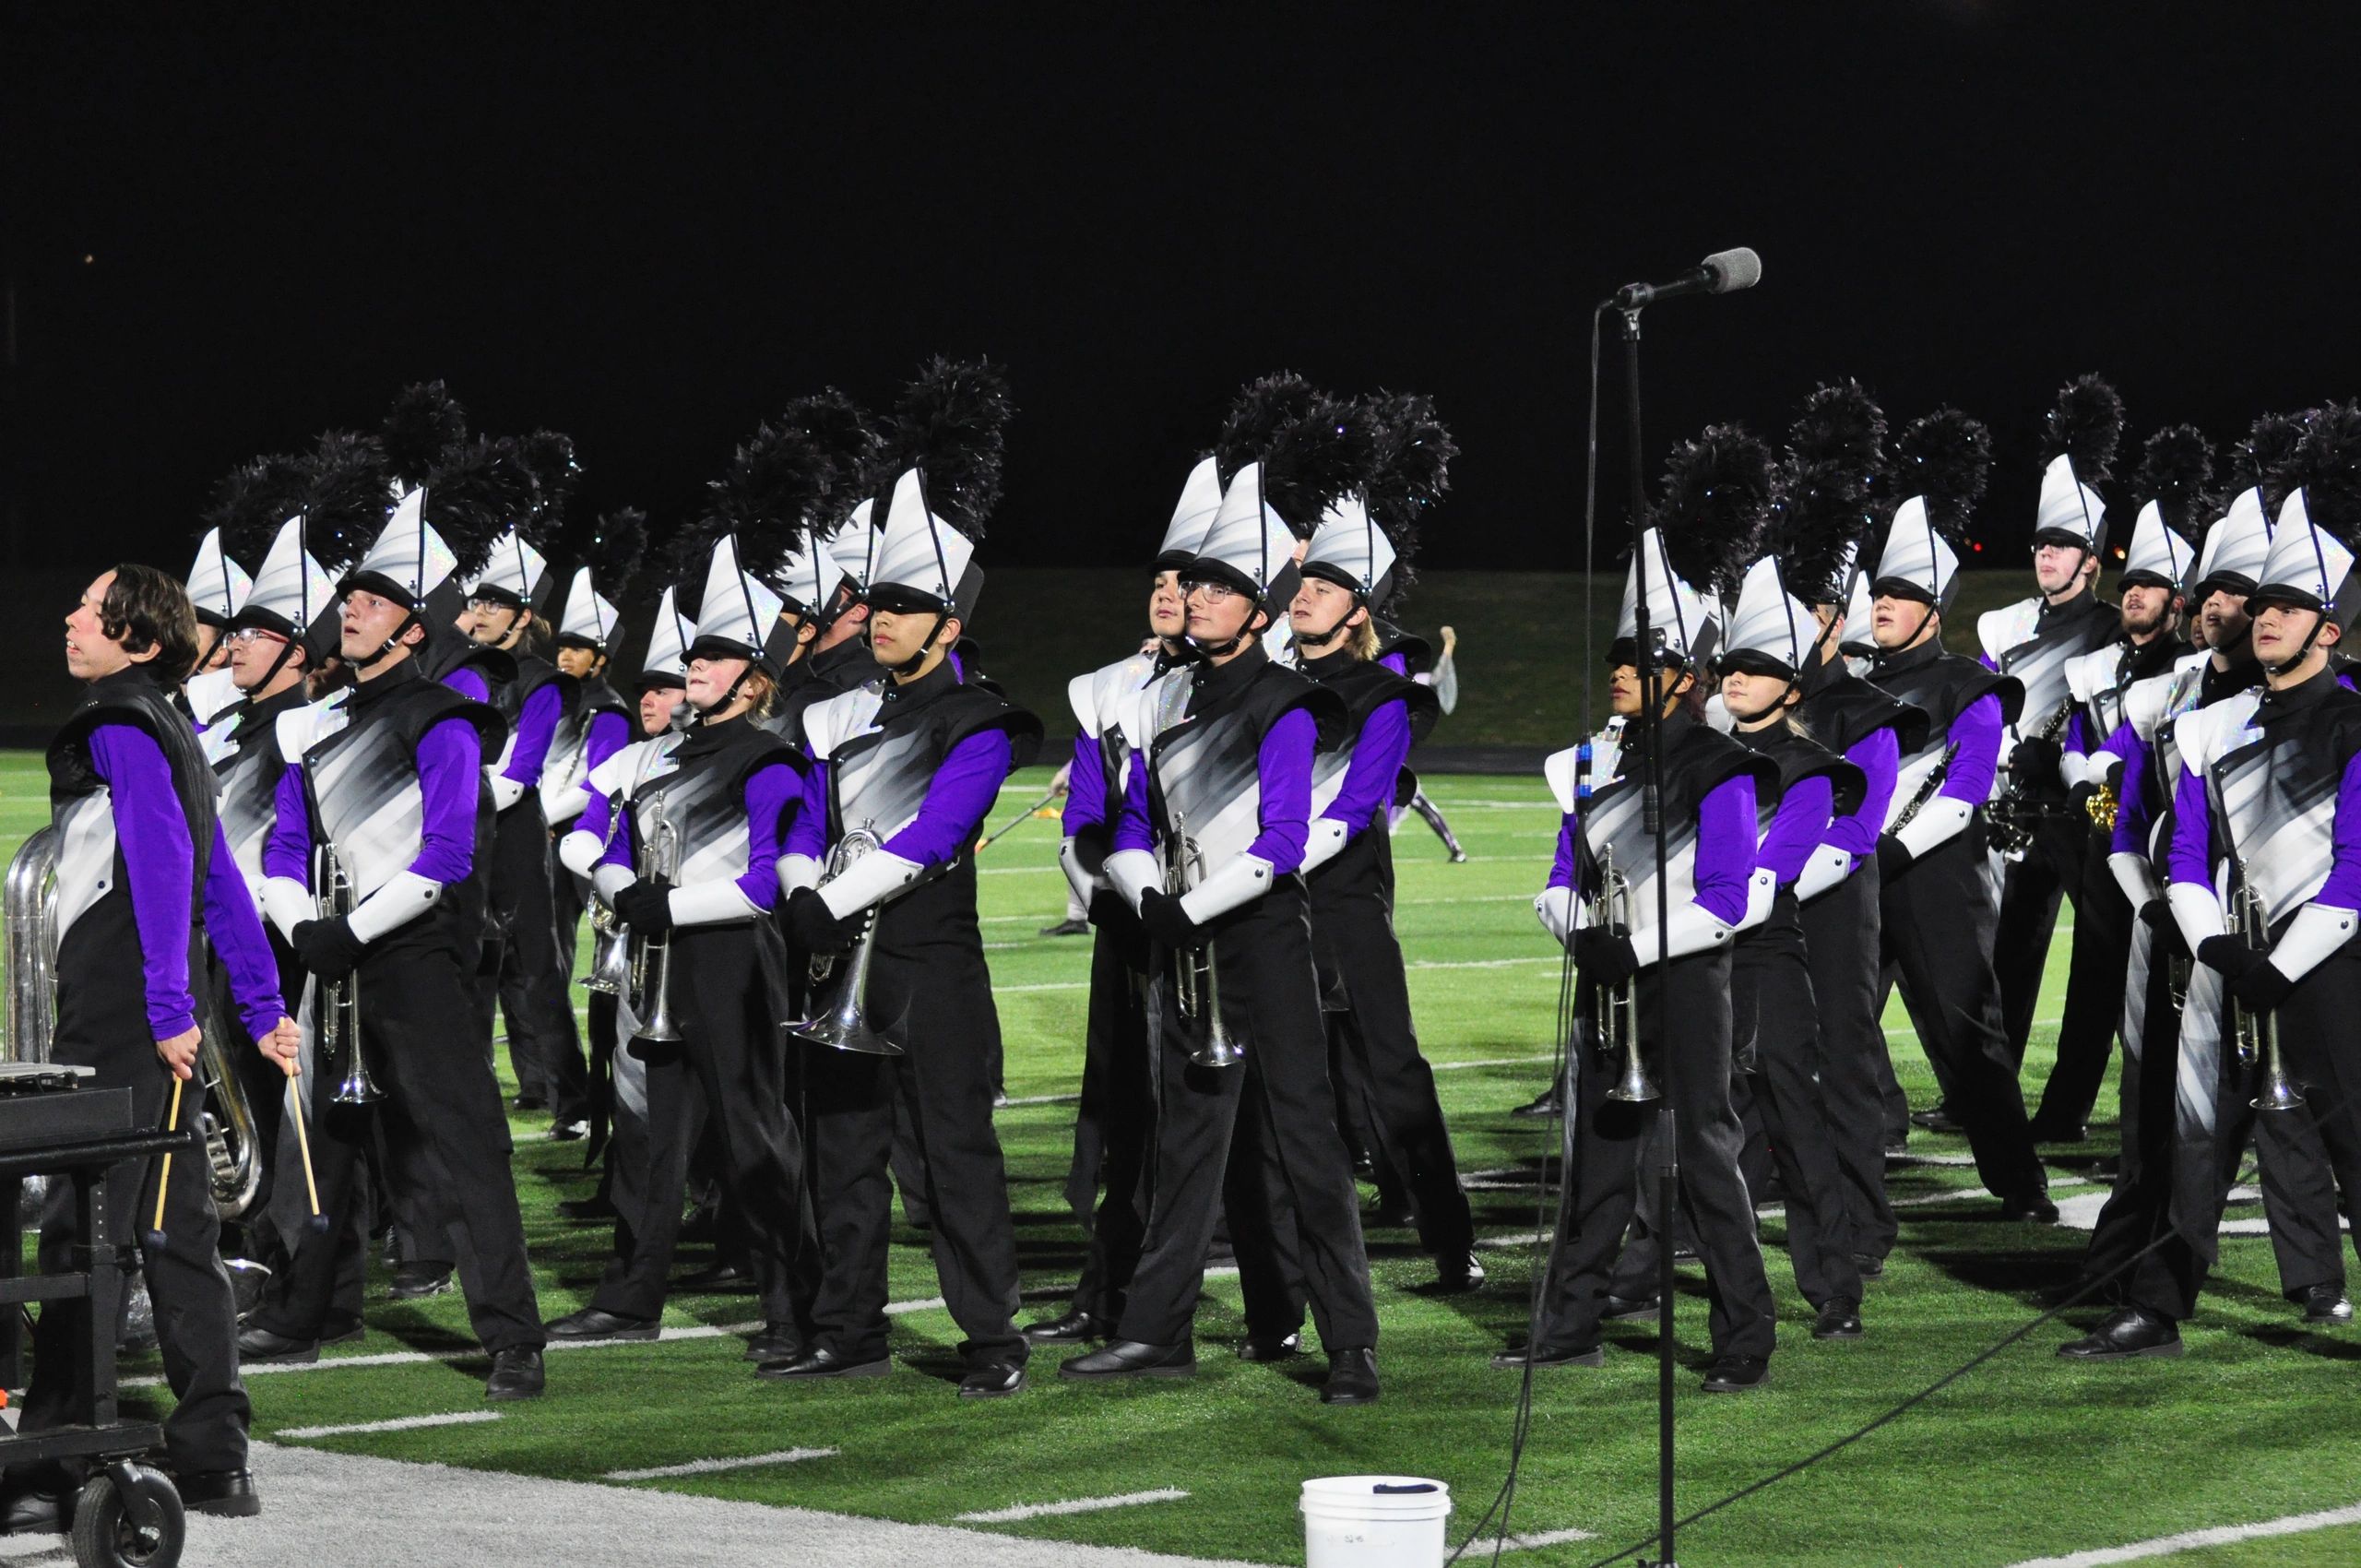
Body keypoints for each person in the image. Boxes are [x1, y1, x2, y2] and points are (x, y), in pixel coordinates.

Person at [1062, 449, 1382, 1405]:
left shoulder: (1287, 702)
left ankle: (1352, 1343)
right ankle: (1157, 1329)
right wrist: (1141, 888)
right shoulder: (1157, 698)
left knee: (1305, 1143)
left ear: (1261, 609)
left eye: (1220, 587)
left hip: (1262, 941)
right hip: (1180, 937)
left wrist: (1184, 905)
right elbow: (1124, 819)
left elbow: (1284, 839)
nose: (1197, 598)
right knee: (1183, 1147)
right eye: (1194, 583)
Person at [6, 564, 296, 1532]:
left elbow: (171, 862)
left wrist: (171, 1004)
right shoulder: (172, 723)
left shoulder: (123, 722)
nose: (69, 617)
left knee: (87, 1229)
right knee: (177, 1232)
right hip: (157, 1007)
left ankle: (56, 1447)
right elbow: (220, 872)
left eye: (88, 610)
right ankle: (215, 1454)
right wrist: (257, 1003)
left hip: (128, 1011)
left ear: (135, 639)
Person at [240, 492, 547, 1398]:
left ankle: (513, 1336)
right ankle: (308, 1310)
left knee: (465, 1141)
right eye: (350, 600)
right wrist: (305, 925)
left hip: (414, 957)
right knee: (323, 1141)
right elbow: (282, 847)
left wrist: (349, 929)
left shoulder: (446, 717)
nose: (352, 611)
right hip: (333, 953)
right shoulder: (318, 723)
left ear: (413, 628)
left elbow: (448, 852)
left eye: (371, 603)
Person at [771, 366, 1040, 1398]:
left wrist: (823, 898)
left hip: (928, 962)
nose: (880, 619)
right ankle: (849, 1323)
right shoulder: (834, 714)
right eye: (876, 602)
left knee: (949, 1157)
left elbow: (938, 832)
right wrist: (801, 885)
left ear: (949, 623)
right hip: (839, 953)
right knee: (841, 1152)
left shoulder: (977, 719)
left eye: (905, 605)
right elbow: (795, 813)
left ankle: (990, 1336)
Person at [2067, 432, 2361, 1359]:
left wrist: (2280, 963)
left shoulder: (2354, 723)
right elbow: (2182, 854)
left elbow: (2353, 869)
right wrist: (2220, 952)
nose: (2267, 618)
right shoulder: (2205, 727)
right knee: (2195, 1136)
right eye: (2261, 604)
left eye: (2289, 607)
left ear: (2330, 629)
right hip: (2226, 957)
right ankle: (2155, 1307)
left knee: (2352, 1138)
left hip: (2328, 961)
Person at [1492, 484, 1780, 1392]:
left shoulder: (1722, 767)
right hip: (1608, 981)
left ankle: (1744, 1337)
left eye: (1639, 657)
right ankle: (1569, 1321)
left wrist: (1635, 945)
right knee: (1597, 1165)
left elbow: (1732, 897)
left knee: (1705, 1159)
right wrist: (1582, 932)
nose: (1617, 669)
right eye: (1616, 655)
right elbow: (1554, 874)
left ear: (1684, 675)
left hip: (1688, 986)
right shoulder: (1588, 764)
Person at [547, 535, 819, 1365]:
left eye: (716, 656)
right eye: (694, 654)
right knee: (648, 1137)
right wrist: (620, 883)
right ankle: (632, 1296)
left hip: (734, 963)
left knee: (754, 1138)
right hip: (657, 959)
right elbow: (610, 834)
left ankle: (793, 1311)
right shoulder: (662, 756)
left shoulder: (769, 761)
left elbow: (765, 883)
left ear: (754, 678)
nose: (695, 666)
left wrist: (664, 902)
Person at [1026, 456, 1220, 1345]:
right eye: (1160, 579)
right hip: (1130, 919)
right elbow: (1092, 817)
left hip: (1217, 926)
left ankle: (1253, 1294)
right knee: (1118, 1110)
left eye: (1187, 581)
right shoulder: (1109, 687)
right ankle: (1105, 1289)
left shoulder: (1231, 687)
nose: (1167, 592)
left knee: (1211, 1119)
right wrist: (1116, 880)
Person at [1287, 465, 1477, 1295]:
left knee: (1393, 1072)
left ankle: (1450, 1242)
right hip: (1265, 916)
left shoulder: (1386, 698)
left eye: (1327, 587)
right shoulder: (1268, 686)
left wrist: (1260, 865)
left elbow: (1358, 800)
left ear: (1358, 610)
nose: (1306, 595)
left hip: (1346, 909)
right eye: (1304, 581)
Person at [1862, 411, 2055, 1221]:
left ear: (1934, 613)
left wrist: (1888, 852)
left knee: (1968, 1043)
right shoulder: (1853, 689)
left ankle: (2020, 1183)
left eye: (1902, 596)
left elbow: (1969, 787)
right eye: (1878, 593)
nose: (1883, 605)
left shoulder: (1968, 687)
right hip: (1859, 880)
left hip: (1939, 886)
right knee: (1819, 1033)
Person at [1710, 553, 1869, 1336]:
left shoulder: (1810, 773)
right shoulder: (1697, 761)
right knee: (1684, 1129)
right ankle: (1645, 1273)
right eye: (1731, 667)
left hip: (1766, 962)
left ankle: (1835, 1287)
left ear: (1793, 687)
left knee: (1795, 1124)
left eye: (1758, 668)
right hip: (1695, 964)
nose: (1737, 679)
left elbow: (1768, 881)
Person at [2032, 430, 2205, 1139]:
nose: (2135, 596)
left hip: (2180, 838)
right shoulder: (2096, 666)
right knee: (2094, 976)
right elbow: (2081, 746)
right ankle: (2068, 1110)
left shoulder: (2193, 669)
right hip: (2111, 835)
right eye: (2130, 585)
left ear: (2176, 602)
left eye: (2151, 588)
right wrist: (2098, 808)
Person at [1975, 377, 2126, 1103]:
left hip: (2089, 807)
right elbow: (1984, 704)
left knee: (2098, 952)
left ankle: (2067, 1104)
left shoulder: (2111, 628)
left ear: (2091, 561)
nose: (2046, 555)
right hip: (2019, 806)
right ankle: (1990, 1088)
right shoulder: (2005, 626)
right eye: (2041, 544)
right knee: (2006, 953)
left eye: (2063, 546)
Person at [208, 516, 341, 1292]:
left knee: (280, 1101)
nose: (233, 647)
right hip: (226, 935)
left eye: (253, 635)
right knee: (231, 1095)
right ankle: (244, 1238)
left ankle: (285, 1252)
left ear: (296, 652)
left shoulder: (308, 731)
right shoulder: (230, 726)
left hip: (280, 938)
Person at [460, 529, 588, 1134]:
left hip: (514, 842)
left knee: (538, 976)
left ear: (524, 615)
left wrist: (452, 802)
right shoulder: (457, 674)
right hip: (463, 841)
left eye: (494, 602)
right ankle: (473, 1102)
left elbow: (521, 772)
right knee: (469, 978)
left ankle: (575, 1105)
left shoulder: (541, 682)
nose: (480, 612)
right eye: (476, 600)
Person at [541, 554, 638, 1149]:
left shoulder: (608, 712)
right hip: (544, 841)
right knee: (541, 975)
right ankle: (563, 1096)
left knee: (585, 972)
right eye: (564, 644)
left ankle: (592, 1103)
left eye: (579, 647)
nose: (566, 654)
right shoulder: (552, 699)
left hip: (582, 848)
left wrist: (536, 818)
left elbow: (592, 784)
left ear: (601, 657)